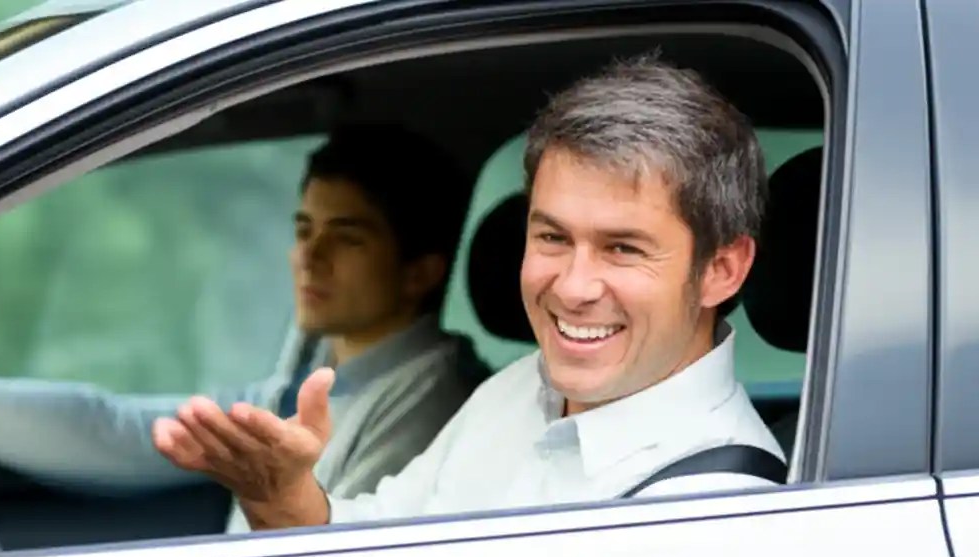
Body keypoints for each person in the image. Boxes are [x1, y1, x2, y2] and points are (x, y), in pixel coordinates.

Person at [152, 53, 784, 531]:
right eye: (552, 238)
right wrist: (280, 495)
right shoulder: (516, 390)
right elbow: (366, 554)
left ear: (720, 270)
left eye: (623, 248)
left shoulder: (714, 509)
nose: (572, 286)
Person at [0, 124, 489, 534]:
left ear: (420, 271)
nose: (309, 257)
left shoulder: (434, 401)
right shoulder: (318, 384)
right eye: (302, 230)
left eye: (348, 239)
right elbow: (110, 428)